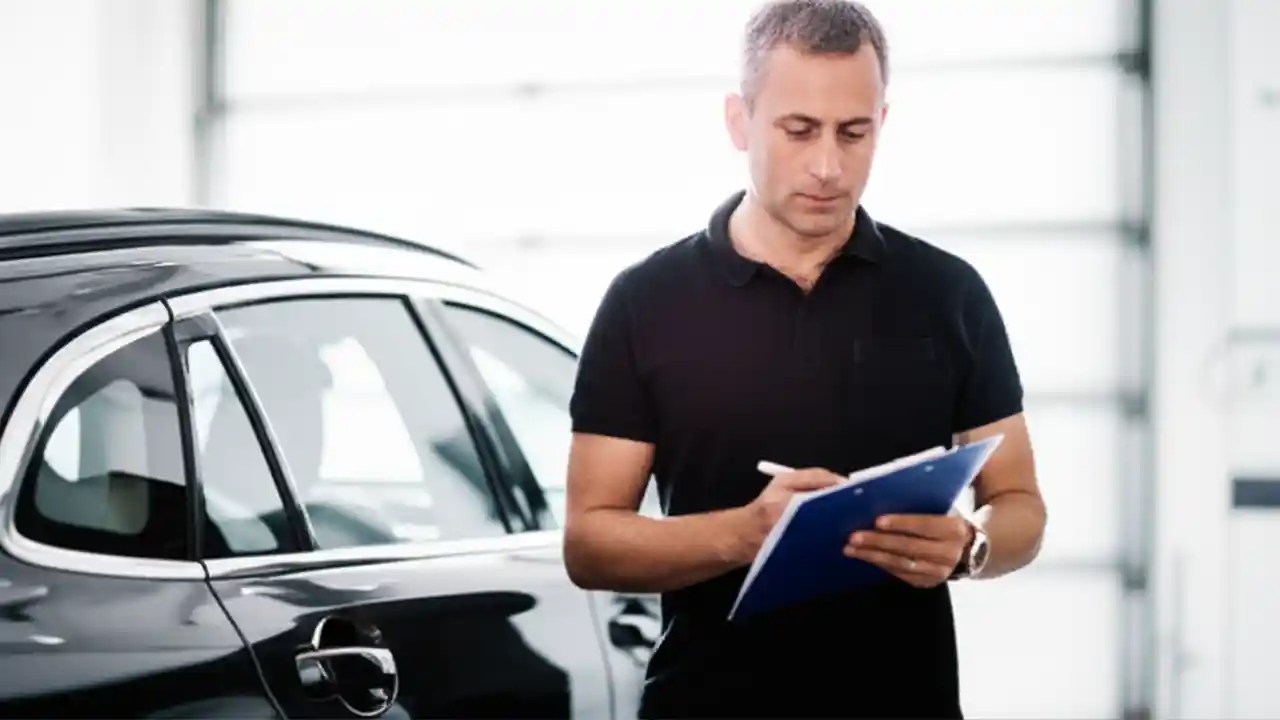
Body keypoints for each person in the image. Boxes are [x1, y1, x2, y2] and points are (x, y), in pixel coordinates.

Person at [563, 1, 1048, 717]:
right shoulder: (646, 302)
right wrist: (746, 533)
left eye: (853, 133)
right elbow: (590, 543)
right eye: (799, 131)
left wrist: (969, 545)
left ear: (882, 123)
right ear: (740, 121)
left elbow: (1021, 505)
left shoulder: (948, 294)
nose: (827, 165)